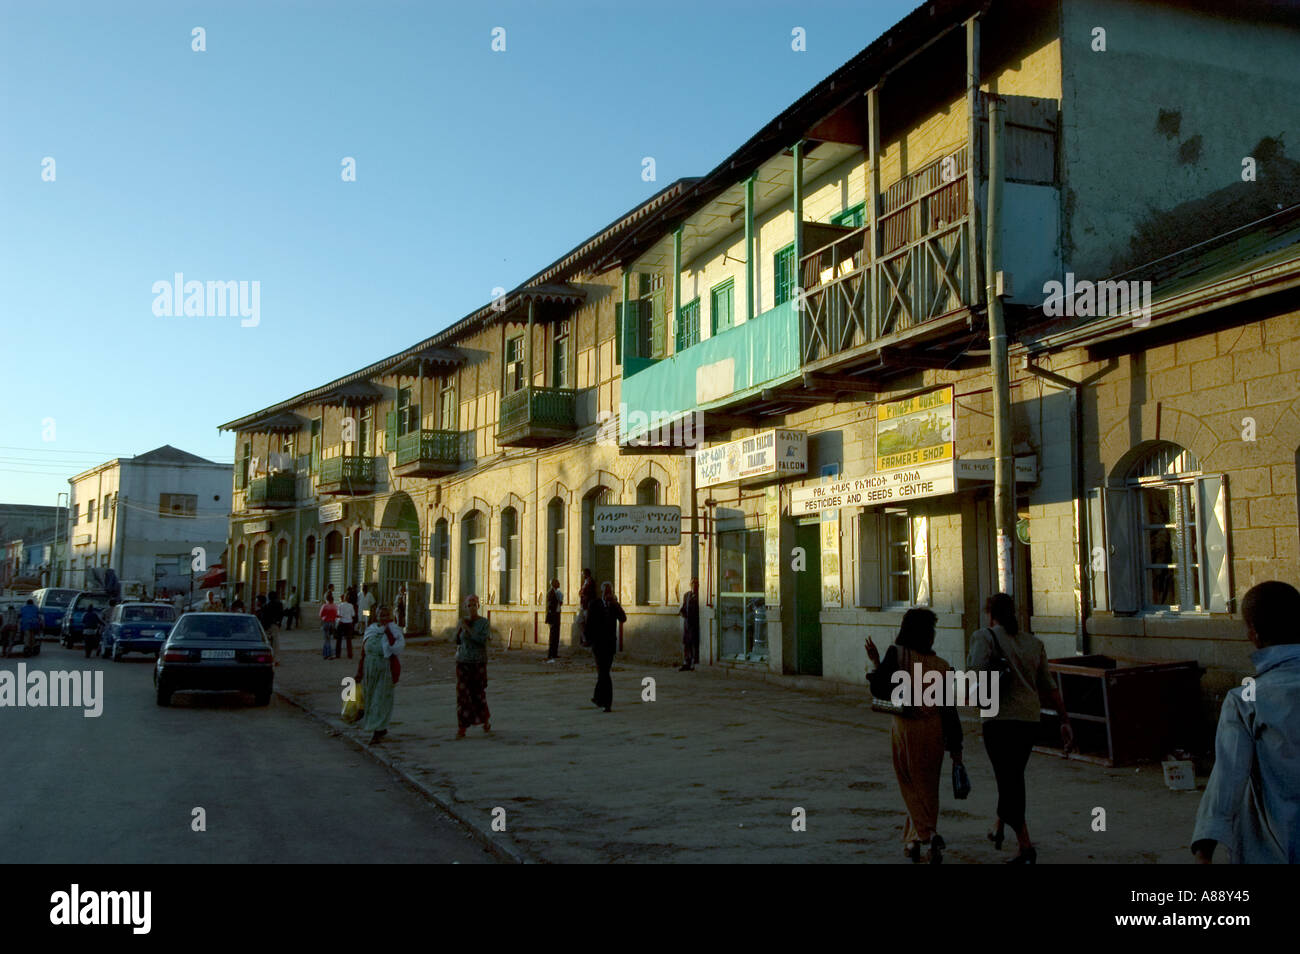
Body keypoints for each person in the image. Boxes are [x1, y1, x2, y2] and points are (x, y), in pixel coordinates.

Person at [1192, 580, 1300, 863]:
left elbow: (1227, 779)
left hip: (1273, 849)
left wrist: (1204, 848)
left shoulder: (1246, 699)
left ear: (1253, 633)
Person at [967, 592, 1074, 864]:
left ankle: (1026, 846)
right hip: (1029, 719)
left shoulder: (984, 637)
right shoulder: (1033, 643)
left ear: (990, 613)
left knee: (1008, 780)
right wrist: (1064, 720)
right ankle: (999, 827)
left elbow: (974, 673)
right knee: (1013, 775)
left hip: (998, 720)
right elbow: (1049, 686)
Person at [866, 608, 964, 864]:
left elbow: (879, 688)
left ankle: (929, 836)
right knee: (928, 789)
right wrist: (956, 748)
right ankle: (913, 841)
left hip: (905, 729)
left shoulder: (897, 654)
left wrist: (877, 665)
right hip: (934, 730)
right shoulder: (941, 666)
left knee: (909, 785)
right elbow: (948, 710)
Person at [355, 604, 404, 744]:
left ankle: (377, 732)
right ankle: (380, 728)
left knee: (380, 699)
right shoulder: (371, 630)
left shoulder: (394, 630)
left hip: (385, 669)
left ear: (390, 616)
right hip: (370, 668)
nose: (383, 618)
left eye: (386, 615)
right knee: (370, 698)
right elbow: (363, 652)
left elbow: (396, 648)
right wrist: (359, 672)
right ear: (376, 616)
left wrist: (388, 632)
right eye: (380, 615)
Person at [454, 594, 491, 737]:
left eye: (474, 605)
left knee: (478, 693)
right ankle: (462, 726)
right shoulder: (463, 621)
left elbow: (481, 640)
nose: (471, 608)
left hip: (478, 662)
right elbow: (456, 640)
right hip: (463, 661)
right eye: (469, 606)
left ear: (478, 606)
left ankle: (485, 721)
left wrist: (469, 629)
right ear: (465, 607)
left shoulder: (484, 623)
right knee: (462, 694)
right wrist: (460, 628)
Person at [587, 582, 625, 712]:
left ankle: (599, 698)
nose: (608, 593)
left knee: (604, 672)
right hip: (598, 645)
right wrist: (588, 641)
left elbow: (623, 618)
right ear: (601, 591)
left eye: (610, 591)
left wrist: (616, 604)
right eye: (606, 591)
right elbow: (589, 624)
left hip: (609, 645)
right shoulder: (594, 604)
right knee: (603, 673)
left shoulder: (614, 605)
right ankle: (606, 702)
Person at [679, 576, 701, 671]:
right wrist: (682, 612)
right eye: (692, 583)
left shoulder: (700, 596)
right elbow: (684, 607)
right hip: (687, 623)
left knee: (693, 643)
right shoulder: (686, 595)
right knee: (686, 643)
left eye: (696, 583)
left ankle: (693, 661)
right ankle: (686, 662)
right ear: (690, 584)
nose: (694, 585)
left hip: (695, 623)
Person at [545, 579, 563, 662]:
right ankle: (550, 654)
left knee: (556, 635)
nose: (559, 583)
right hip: (553, 616)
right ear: (553, 584)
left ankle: (555, 653)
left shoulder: (557, 592)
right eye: (557, 582)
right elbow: (550, 606)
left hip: (557, 615)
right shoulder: (550, 593)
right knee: (553, 636)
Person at [335, 593, 356, 659]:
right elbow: (353, 614)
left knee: (339, 640)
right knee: (348, 640)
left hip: (342, 623)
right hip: (349, 623)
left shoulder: (340, 605)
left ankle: (338, 654)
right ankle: (350, 654)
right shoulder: (351, 606)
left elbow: (338, 614)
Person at [319, 593, 339, 659]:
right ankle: (327, 653)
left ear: (327, 599)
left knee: (326, 639)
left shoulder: (324, 606)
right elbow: (337, 615)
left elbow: (321, 615)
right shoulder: (335, 606)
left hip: (326, 622)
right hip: (332, 623)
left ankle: (327, 653)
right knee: (330, 639)